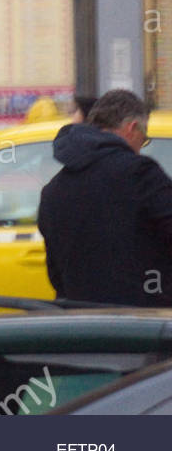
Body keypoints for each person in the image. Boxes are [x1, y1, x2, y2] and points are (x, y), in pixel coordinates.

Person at [37, 89, 172, 306]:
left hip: (84, 324)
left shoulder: (53, 191)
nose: (141, 147)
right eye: (144, 139)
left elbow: (56, 274)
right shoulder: (140, 173)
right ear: (132, 129)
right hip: (144, 323)